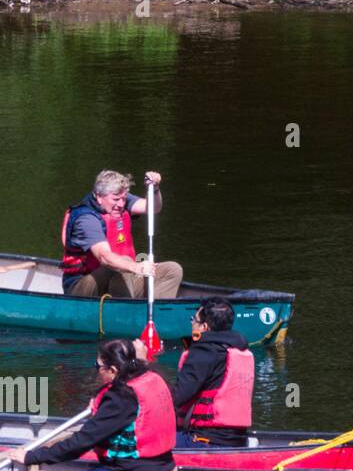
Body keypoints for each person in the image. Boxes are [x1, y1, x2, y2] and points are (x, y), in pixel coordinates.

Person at [5, 338, 176, 471]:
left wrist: (31, 457)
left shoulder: (121, 399)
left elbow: (81, 443)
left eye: (97, 366)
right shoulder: (150, 377)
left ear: (113, 370)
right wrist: (101, 403)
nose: (96, 370)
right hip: (164, 465)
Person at [60, 170, 183, 299]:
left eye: (124, 198)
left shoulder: (120, 200)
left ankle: (155, 313)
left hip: (121, 276)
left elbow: (153, 208)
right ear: (99, 197)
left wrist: (155, 189)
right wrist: (135, 267)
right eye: (116, 199)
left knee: (173, 270)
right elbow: (104, 257)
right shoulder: (86, 219)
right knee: (123, 264)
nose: (121, 204)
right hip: (81, 288)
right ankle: (126, 313)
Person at [170, 296, 254, 448]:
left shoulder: (204, 351)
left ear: (204, 327)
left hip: (204, 440)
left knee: (138, 441)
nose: (192, 324)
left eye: (194, 320)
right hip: (236, 439)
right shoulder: (236, 348)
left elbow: (176, 398)